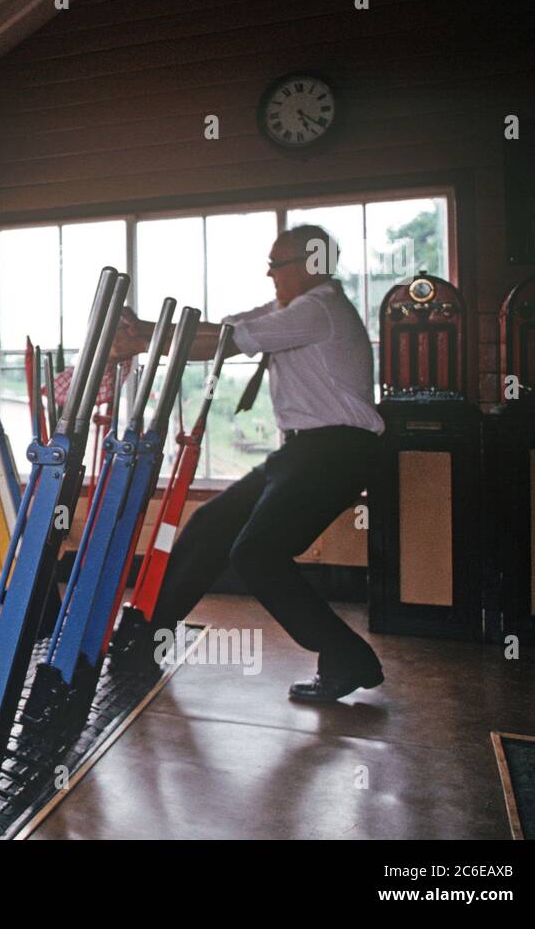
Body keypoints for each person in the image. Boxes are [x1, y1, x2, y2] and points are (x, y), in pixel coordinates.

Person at [118, 224, 385, 702]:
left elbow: (226, 345)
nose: (269, 273)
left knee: (256, 553)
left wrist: (140, 344)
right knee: (211, 525)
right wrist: (146, 332)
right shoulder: (291, 308)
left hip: (337, 450)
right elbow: (220, 330)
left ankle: (347, 657)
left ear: (312, 265)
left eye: (277, 263)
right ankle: (147, 640)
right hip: (305, 450)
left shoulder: (317, 308)